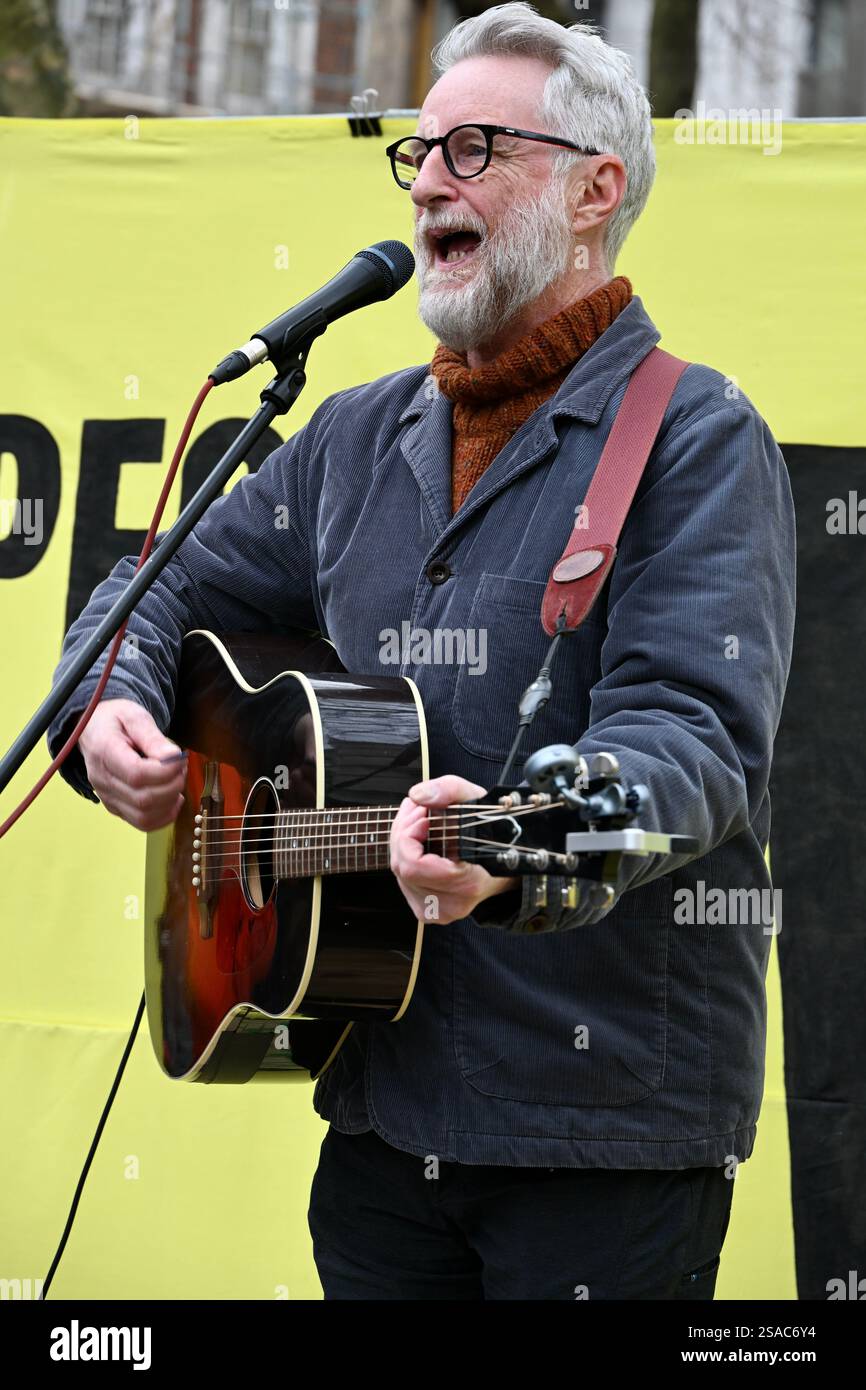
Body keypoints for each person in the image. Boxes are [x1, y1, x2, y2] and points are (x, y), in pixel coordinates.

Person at [47, 3, 796, 1299]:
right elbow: (152, 585)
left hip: (600, 1137)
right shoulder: (350, 434)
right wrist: (110, 701)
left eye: (475, 149)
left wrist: (516, 844)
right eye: (419, 151)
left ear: (590, 190)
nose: (429, 180)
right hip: (382, 1115)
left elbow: (691, 735)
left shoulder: (692, 433)